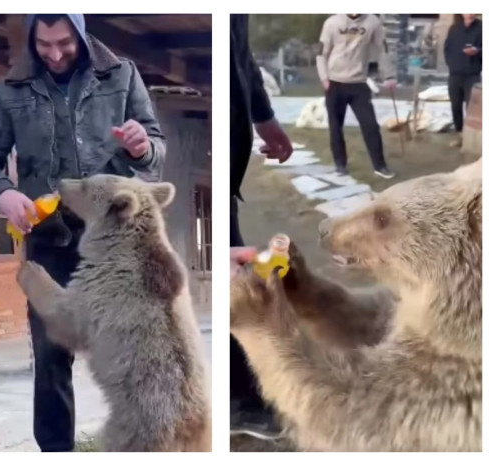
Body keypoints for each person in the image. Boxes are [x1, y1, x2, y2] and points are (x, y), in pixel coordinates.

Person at [0, 14, 166, 452]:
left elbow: (155, 149)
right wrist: (2, 194)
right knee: (52, 358)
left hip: (115, 240)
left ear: (79, 32)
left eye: (64, 43)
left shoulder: (122, 75)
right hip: (49, 239)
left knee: (135, 349)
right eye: (44, 44)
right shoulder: (8, 90)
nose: (55, 54)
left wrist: (143, 147)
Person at [230, 14, 293, 441]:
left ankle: (249, 397)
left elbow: (241, 54)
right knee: (238, 283)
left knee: (241, 276)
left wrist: (263, 116)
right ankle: (244, 401)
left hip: (232, 170)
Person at [317, 14, 397, 179]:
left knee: (371, 126)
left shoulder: (373, 23)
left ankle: (380, 166)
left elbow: (383, 50)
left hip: (359, 83)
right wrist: (324, 78)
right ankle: (340, 165)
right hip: (335, 83)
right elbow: (321, 53)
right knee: (335, 127)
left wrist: (389, 75)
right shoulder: (332, 22)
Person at [444, 14, 482, 148]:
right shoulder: (454, 28)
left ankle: (470, 138)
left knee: (471, 107)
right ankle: (459, 134)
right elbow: (447, 48)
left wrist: (477, 51)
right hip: (455, 74)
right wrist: (451, 64)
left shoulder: (482, 28)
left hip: (472, 74)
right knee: (455, 106)